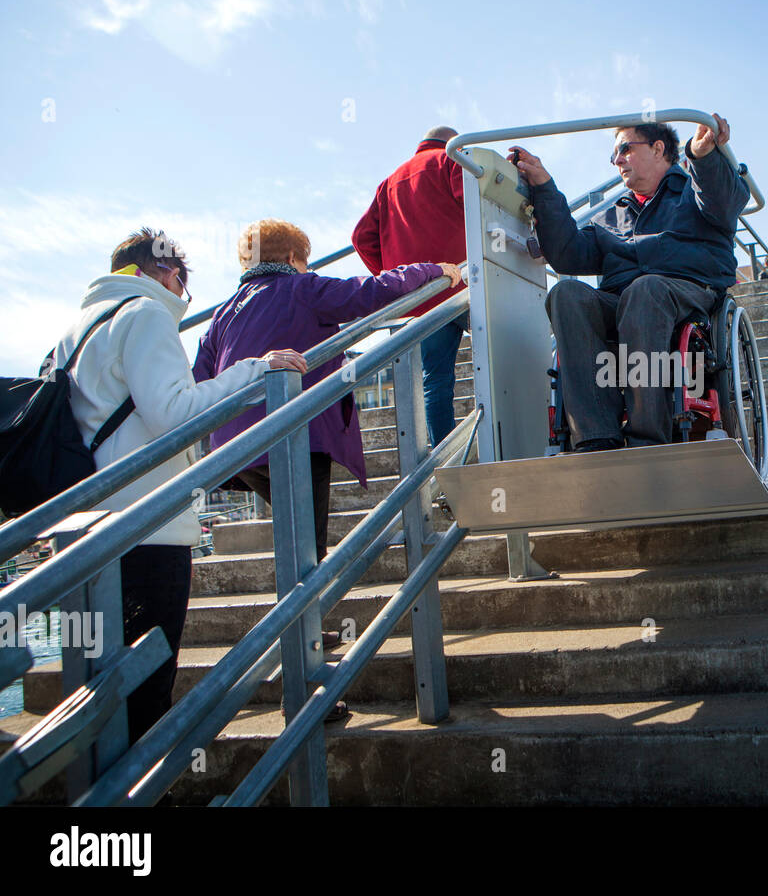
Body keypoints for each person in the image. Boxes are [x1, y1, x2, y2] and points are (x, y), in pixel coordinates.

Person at [56, 228, 306, 743]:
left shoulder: (77, 329)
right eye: (183, 277)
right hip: (148, 530)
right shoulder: (144, 314)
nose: (183, 291)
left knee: (103, 695)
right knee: (146, 693)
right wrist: (253, 371)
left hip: (84, 536)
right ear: (165, 274)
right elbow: (175, 414)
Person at [194, 219, 460, 564]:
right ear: (292, 258)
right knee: (308, 546)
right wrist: (432, 270)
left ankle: (300, 600)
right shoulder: (302, 289)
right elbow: (372, 292)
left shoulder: (223, 312)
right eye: (306, 262)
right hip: (296, 437)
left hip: (236, 447)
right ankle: (304, 611)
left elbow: (200, 379)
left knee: (297, 533)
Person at [509, 114, 749, 450]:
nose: (617, 160)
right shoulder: (611, 216)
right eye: (613, 155)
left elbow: (727, 202)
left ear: (658, 148)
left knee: (645, 290)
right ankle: (597, 438)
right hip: (626, 302)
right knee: (567, 294)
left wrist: (701, 154)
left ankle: (646, 439)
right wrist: (544, 186)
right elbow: (567, 254)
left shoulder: (693, 190)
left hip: (688, 294)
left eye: (624, 149)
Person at [352, 126, 470, 447]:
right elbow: (477, 208)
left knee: (436, 382)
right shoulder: (452, 161)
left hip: (420, 298)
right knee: (505, 353)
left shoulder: (388, 183)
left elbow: (360, 237)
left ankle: (444, 465)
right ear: (452, 143)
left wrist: (395, 277)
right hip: (464, 285)